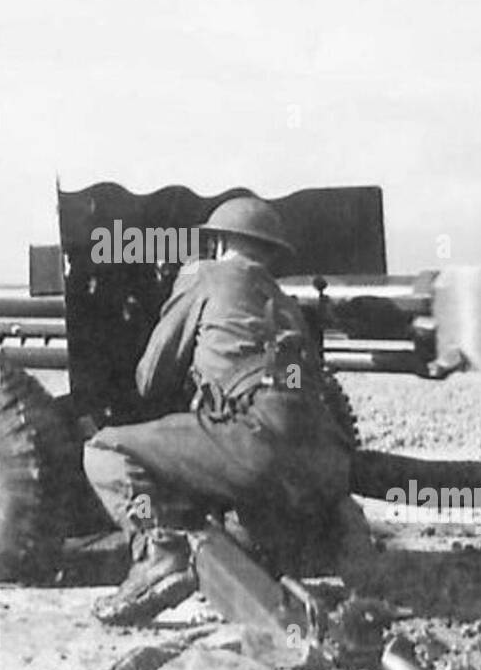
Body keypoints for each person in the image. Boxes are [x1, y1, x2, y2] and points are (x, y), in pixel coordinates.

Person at [84, 195, 356, 627]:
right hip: (321, 460)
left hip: (256, 447)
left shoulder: (207, 277)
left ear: (219, 242)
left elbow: (150, 378)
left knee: (105, 451)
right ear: (269, 253)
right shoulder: (283, 305)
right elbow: (287, 391)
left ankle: (158, 550)